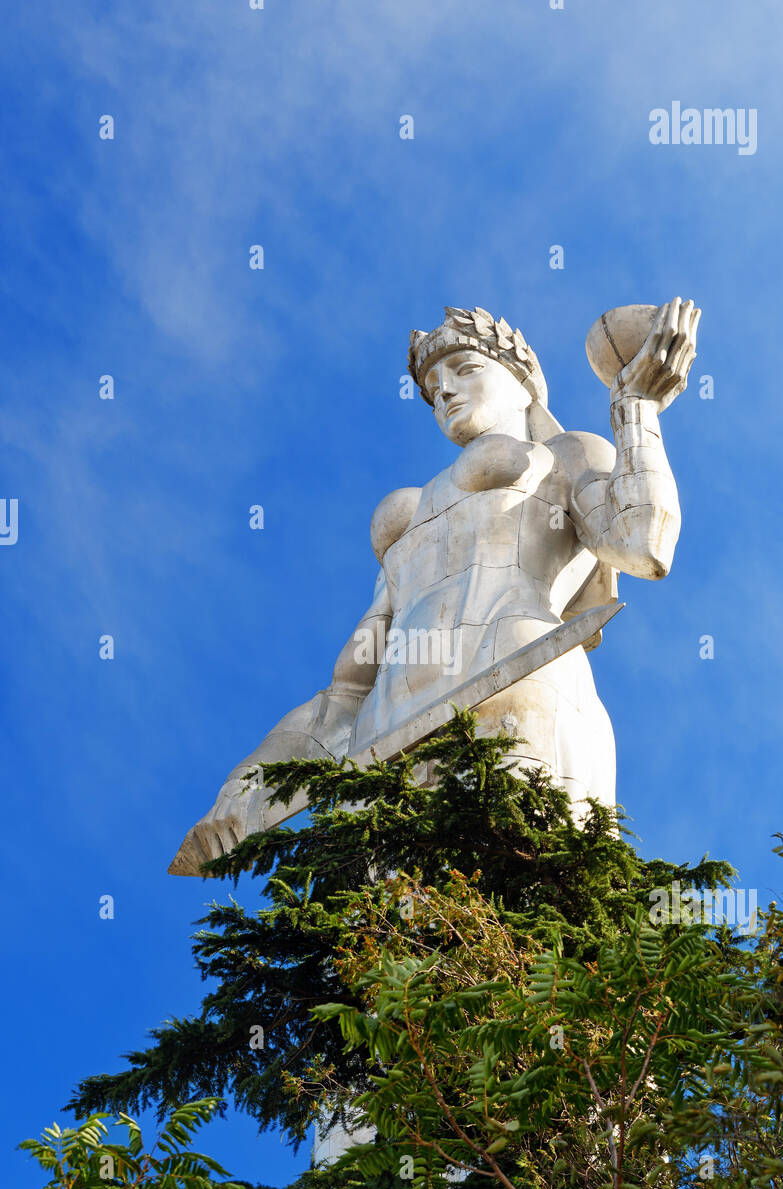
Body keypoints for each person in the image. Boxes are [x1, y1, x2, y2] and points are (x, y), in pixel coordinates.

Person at [170, 298, 698, 875]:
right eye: (432, 385)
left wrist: (636, 407)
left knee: (519, 906)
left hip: (517, 682)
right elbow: (347, 691)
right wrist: (252, 778)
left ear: (526, 387)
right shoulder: (407, 515)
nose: (444, 391)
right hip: (386, 737)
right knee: (384, 948)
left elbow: (642, 542)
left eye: (466, 369)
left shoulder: (565, 454)